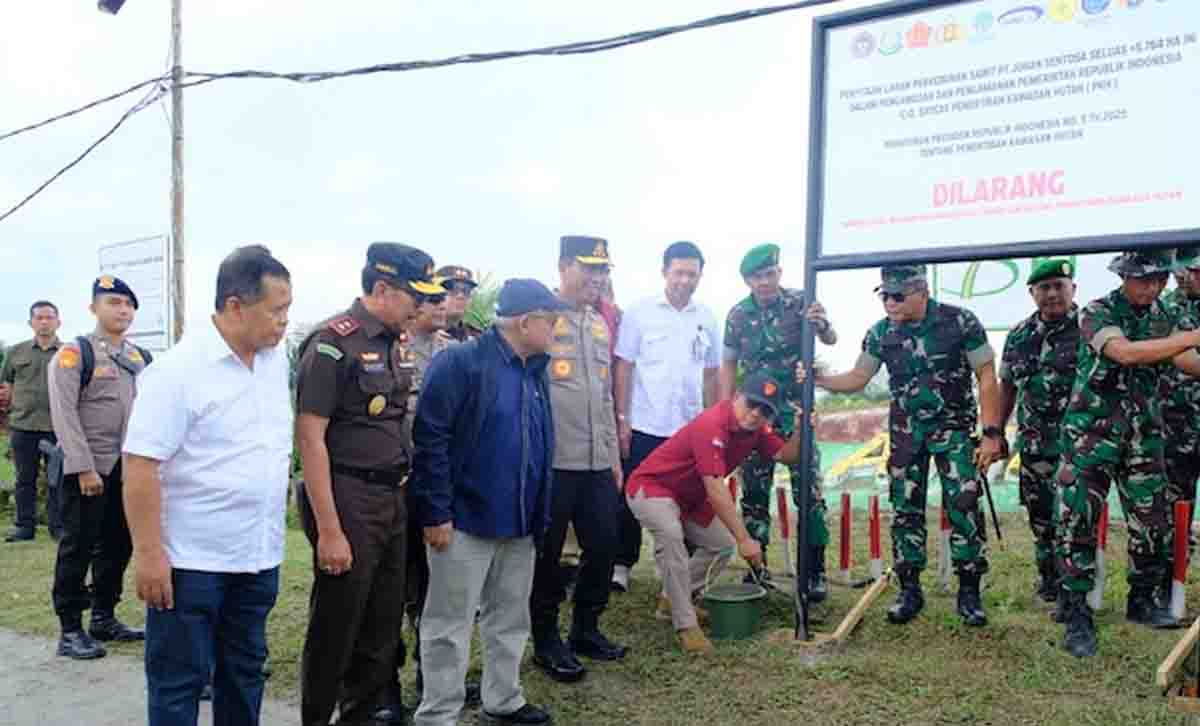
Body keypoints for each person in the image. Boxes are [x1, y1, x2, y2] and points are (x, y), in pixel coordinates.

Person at [123, 245, 293, 726]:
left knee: (244, 674)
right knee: (179, 681)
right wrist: (149, 555)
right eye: (276, 310)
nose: (284, 321)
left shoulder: (274, 361)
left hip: (257, 556)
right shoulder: (178, 371)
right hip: (191, 562)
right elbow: (140, 465)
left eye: (288, 309)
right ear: (235, 306)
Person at [294, 242, 443, 726]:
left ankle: (359, 716)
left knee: (380, 627)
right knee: (337, 627)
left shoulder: (395, 342)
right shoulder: (332, 343)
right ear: (382, 288)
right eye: (414, 295)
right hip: (348, 498)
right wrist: (329, 530)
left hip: (392, 497)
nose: (420, 306)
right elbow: (311, 439)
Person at [410, 278, 564, 726]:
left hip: (520, 521)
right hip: (464, 521)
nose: (555, 329)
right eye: (550, 320)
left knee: (510, 618)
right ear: (525, 322)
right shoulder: (462, 363)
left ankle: (503, 699)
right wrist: (436, 512)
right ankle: (438, 715)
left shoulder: (535, 371)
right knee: (448, 624)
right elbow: (431, 440)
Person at [815, 264, 1003, 628]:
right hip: (906, 435)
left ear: (922, 292)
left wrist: (992, 432)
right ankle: (910, 589)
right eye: (884, 295)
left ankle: (969, 591)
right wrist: (818, 378)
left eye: (898, 296)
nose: (890, 302)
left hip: (953, 431)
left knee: (964, 504)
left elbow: (986, 375)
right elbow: (858, 377)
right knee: (905, 510)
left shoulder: (960, 321)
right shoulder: (881, 333)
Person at [1055, 249, 1200, 657]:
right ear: (1124, 277)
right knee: (1079, 519)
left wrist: (1187, 343)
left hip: (1143, 435)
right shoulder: (1098, 312)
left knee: (1152, 521)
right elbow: (1126, 353)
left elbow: (1185, 360)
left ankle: (1142, 600)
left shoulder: (1165, 316)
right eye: (1143, 280)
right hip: (1091, 435)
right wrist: (1191, 336)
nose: (1152, 288)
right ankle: (1077, 610)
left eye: (1159, 280)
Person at [627, 372, 813, 653]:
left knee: (721, 545)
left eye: (764, 411)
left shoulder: (756, 430)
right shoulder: (712, 423)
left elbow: (786, 456)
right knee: (671, 536)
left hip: (690, 498)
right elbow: (715, 489)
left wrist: (801, 430)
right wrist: (745, 539)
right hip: (654, 487)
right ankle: (686, 625)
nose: (755, 414)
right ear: (737, 396)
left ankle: (671, 600)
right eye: (752, 404)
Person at [529, 235, 626, 684]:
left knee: (604, 544)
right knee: (548, 555)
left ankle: (586, 628)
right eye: (589, 268)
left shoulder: (598, 323)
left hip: (596, 460)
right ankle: (546, 639)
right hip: (553, 461)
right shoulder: (541, 319)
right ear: (564, 266)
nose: (598, 277)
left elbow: (603, 396)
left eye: (603, 270)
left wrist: (613, 457)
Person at [720, 243, 835, 599]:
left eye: (769, 274)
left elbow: (830, 338)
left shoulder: (801, 302)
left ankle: (815, 571)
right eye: (757, 277)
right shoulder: (737, 316)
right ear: (747, 281)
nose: (764, 282)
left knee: (809, 491)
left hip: (796, 410)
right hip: (756, 414)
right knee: (754, 494)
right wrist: (726, 410)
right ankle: (758, 569)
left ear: (779, 273)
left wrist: (822, 324)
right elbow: (728, 364)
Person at [46, 278, 146, 659]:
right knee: (79, 546)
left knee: (119, 544)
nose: (123, 310)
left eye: (128, 304)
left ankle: (104, 616)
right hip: (89, 467)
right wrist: (84, 467)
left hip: (129, 468)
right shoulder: (76, 353)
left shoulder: (140, 358)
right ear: (94, 308)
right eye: (113, 302)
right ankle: (70, 629)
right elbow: (64, 414)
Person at [611, 241, 720, 592]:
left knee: (684, 497)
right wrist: (622, 418)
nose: (684, 280)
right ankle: (622, 564)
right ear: (664, 272)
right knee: (632, 493)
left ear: (700, 276)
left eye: (692, 274)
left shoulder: (706, 318)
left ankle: (675, 567)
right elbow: (624, 366)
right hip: (645, 423)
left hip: (687, 428)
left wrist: (714, 423)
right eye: (679, 273)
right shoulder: (640, 312)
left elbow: (711, 374)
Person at [997, 259, 1079, 604]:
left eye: (1059, 286)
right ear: (1032, 293)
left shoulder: (1091, 329)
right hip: (1034, 445)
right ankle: (1049, 580)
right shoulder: (1019, 335)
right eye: (1044, 288)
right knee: (1041, 518)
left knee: (1074, 520)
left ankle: (1075, 589)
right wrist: (995, 431)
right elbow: (1006, 387)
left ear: (1073, 289)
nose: (1052, 294)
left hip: (1080, 446)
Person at [1, 301, 64, 542]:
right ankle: (24, 527)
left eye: (49, 317)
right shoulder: (16, 352)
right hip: (23, 426)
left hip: (57, 428)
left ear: (58, 322)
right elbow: (7, 384)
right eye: (39, 318)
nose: (44, 322)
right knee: (24, 480)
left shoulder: (69, 353)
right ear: (31, 323)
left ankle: (58, 527)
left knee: (57, 480)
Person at [1161, 247, 1200, 540]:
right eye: (1181, 270)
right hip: (1177, 425)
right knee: (1176, 507)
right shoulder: (1167, 309)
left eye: (1193, 270)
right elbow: (1182, 357)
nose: (1185, 276)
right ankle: (1175, 564)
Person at [436, 265, 483, 342]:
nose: (460, 296)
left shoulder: (477, 339)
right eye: (452, 289)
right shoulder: (418, 331)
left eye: (466, 291)